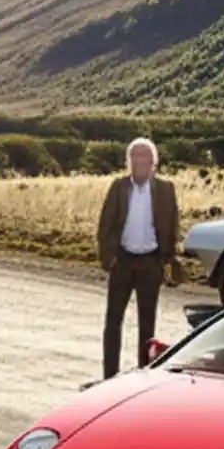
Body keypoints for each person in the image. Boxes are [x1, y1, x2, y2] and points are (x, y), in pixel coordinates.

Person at [96, 137, 179, 380]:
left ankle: (143, 376)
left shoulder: (165, 189)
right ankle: (109, 375)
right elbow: (105, 225)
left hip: (150, 261)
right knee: (113, 320)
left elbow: (173, 224)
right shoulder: (119, 187)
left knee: (147, 322)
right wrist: (108, 257)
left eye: (145, 156)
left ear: (154, 162)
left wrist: (167, 258)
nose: (140, 161)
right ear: (128, 161)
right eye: (135, 156)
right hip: (122, 260)